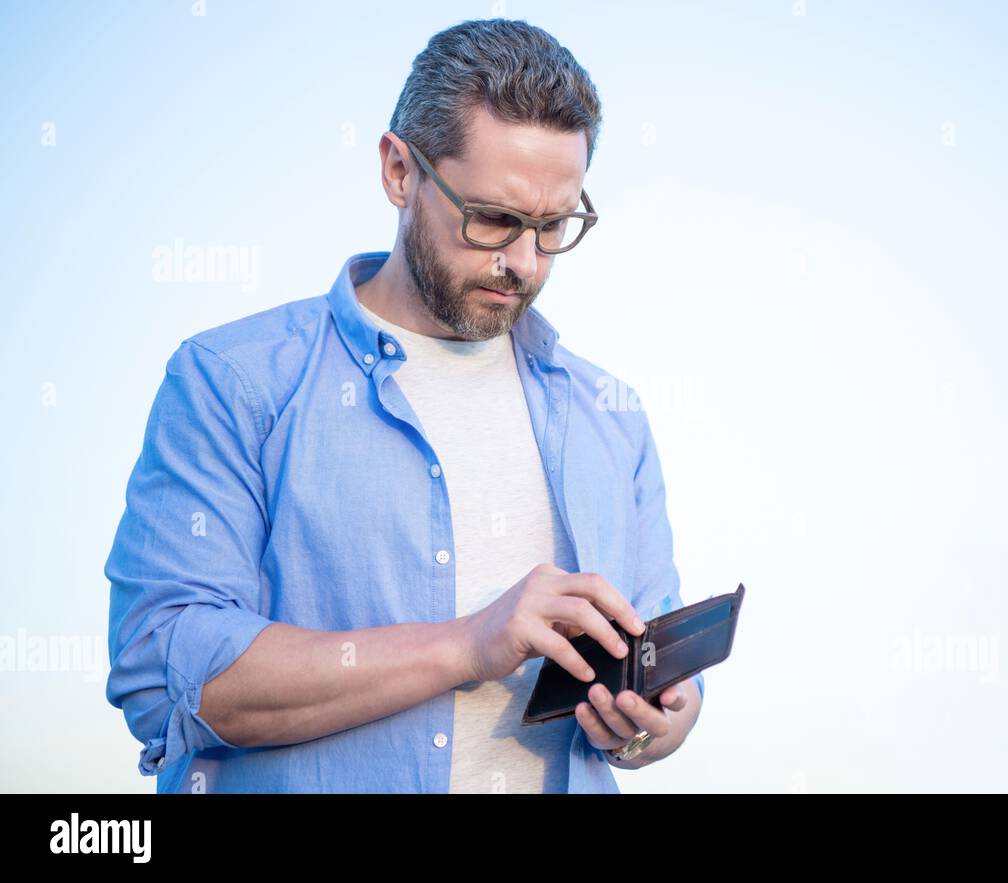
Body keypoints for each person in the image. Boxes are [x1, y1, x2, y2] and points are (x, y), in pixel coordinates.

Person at [104, 17, 703, 794]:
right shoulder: (231, 380)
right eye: (492, 218)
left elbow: (663, 664)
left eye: (553, 226)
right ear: (398, 171)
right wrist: (466, 645)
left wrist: (660, 723)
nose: (522, 262)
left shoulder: (610, 415)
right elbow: (167, 675)